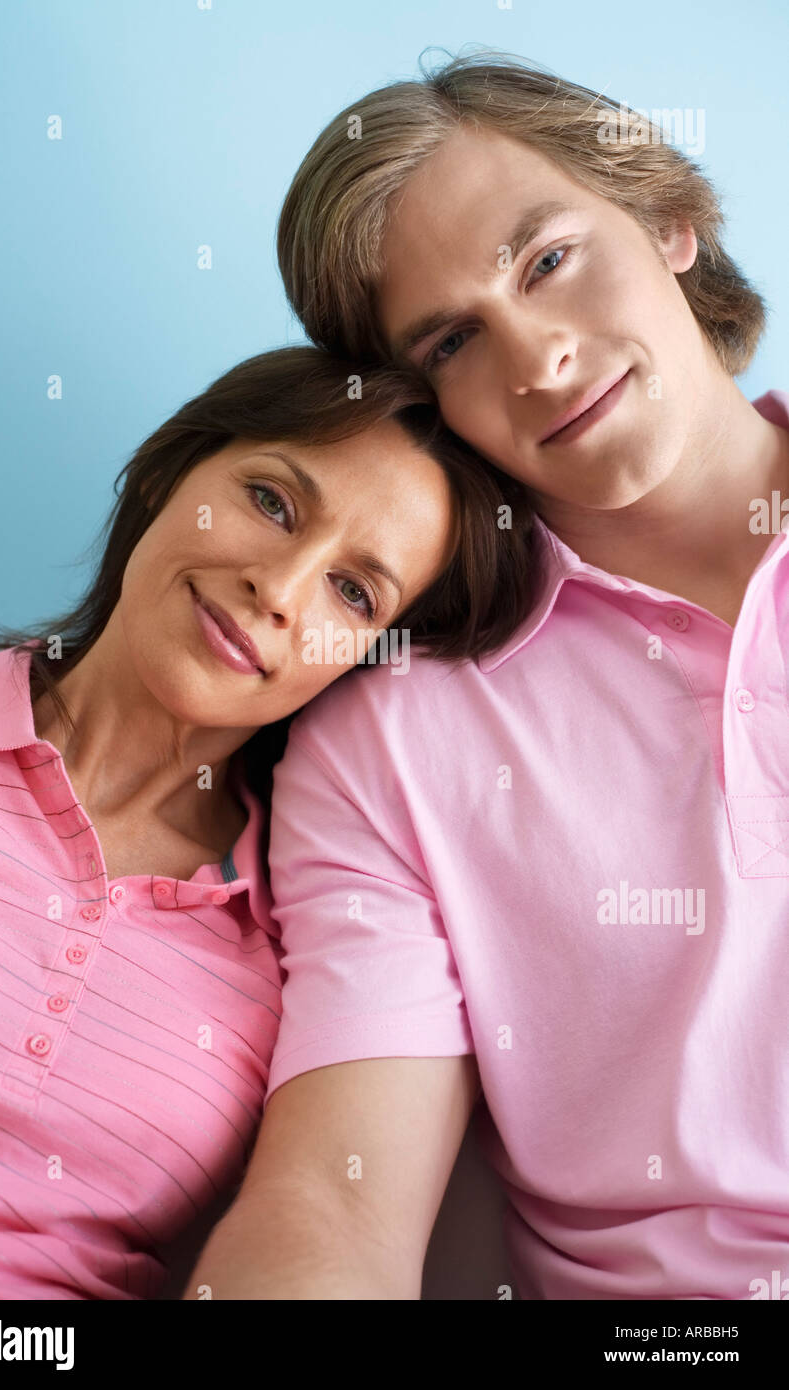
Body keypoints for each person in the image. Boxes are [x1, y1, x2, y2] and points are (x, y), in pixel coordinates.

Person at [185, 52, 789, 1301]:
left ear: (666, 216)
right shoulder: (386, 743)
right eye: (455, 339)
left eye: (548, 260)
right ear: (422, 402)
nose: (540, 358)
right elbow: (333, 1204)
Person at [0, 343, 524, 1300]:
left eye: (354, 591)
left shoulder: (311, 939)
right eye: (274, 503)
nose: (279, 593)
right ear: (169, 471)